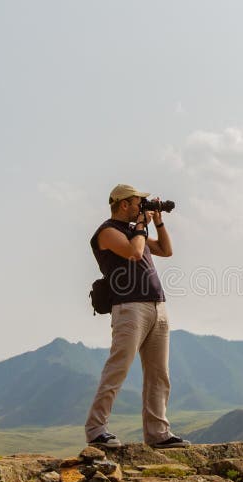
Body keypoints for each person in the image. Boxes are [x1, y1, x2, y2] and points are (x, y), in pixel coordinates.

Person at [84, 184, 190, 449]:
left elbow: (166, 251)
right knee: (117, 369)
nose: (140, 207)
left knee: (159, 373)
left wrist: (158, 223)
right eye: (137, 203)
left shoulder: (136, 232)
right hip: (129, 307)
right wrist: (142, 226)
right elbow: (133, 252)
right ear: (123, 205)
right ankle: (96, 429)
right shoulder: (107, 232)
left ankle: (158, 433)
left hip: (157, 305)